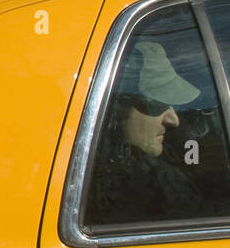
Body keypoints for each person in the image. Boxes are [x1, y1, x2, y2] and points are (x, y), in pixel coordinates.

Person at [88, 41, 206, 224]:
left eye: (171, 105)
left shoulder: (98, 172)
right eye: (156, 104)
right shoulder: (129, 183)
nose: (174, 120)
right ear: (117, 107)